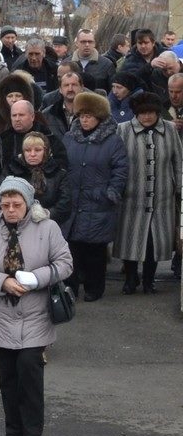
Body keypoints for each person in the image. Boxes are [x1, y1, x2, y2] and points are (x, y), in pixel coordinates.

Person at [0, 179, 74, 436]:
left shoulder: (47, 228)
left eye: (17, 205)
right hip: (0, 315)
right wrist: (2, 282)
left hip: (35, 313)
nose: (11, 210)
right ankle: (12, 430)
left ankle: (32, 432)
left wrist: (34, 279)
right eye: (5, 205)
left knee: (29, 372)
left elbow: (65, 263)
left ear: (28, 204)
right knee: (7, 378)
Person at [55, 90, 127, 302]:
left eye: (89, 116)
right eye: (82, 116)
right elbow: (61, 165)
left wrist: (110, 193)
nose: (85, 120)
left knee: (94, 251)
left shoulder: (112, 141)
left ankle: (94, 288)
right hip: (73, 202)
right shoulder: (69, 138)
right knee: (71, 249)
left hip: (98, 204)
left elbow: (120, 169)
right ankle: (70, 288)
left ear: (99, 117)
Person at [114, 90, 183, 293]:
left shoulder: (170, 130)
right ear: (136, 113)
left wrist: (179, 187)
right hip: (131, 197)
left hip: (162, 198)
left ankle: (148, 281)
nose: (147, 116)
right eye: (143, 113)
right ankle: (131, 278)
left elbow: (178, 160)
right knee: (131, 239)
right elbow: (117, 162)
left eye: (151, 112)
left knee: (154, 242)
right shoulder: (122, 130)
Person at [0, 96, 67, 204]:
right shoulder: (2, 140)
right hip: (12, 199)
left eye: (21, 115)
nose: (17, 119)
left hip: (45, 200)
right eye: (14, 115)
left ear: (32, 116)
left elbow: (61, 164)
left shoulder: (48, 137)